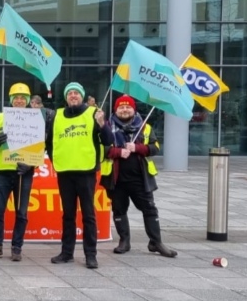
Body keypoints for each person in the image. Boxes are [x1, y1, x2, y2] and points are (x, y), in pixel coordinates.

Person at [102, 95, 178, 258]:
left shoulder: (145, 127)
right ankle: (124, 241)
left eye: (127, 107)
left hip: (140, 179)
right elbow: (100, 149)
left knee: (149, 209)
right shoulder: (107, 127)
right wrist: (117, 152)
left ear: (133, 109)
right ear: (116, 110)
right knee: (119, 210)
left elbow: (155, 147)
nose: (124, 110)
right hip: (116, 179)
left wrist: (137, 148)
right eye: (121, 107)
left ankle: (156, 242)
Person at [47, 82, 111, 269]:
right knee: (68, 215)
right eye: (70, 93)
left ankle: (91, 254)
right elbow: (50, 142)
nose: (73, 95)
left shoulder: (94, 113)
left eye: (76, 93)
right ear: (66, 97)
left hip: (86, 172)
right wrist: (55, 160)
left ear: (82, 96)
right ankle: (67, 253)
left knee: (88, 215)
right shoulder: (57, 115)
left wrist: (102, 124)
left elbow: (108, 141)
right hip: (65, 172)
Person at [0, 83, 36, 261]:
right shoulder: (0, 118)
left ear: (28, 100)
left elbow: (39, 149)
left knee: (21, 213)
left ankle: (16, 247)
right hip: (3, 171)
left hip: (24, 173)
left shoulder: (36, 118)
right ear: (11, 100)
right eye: (16, 98)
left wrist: (29, 165)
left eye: (23, 98)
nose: (20, 101)